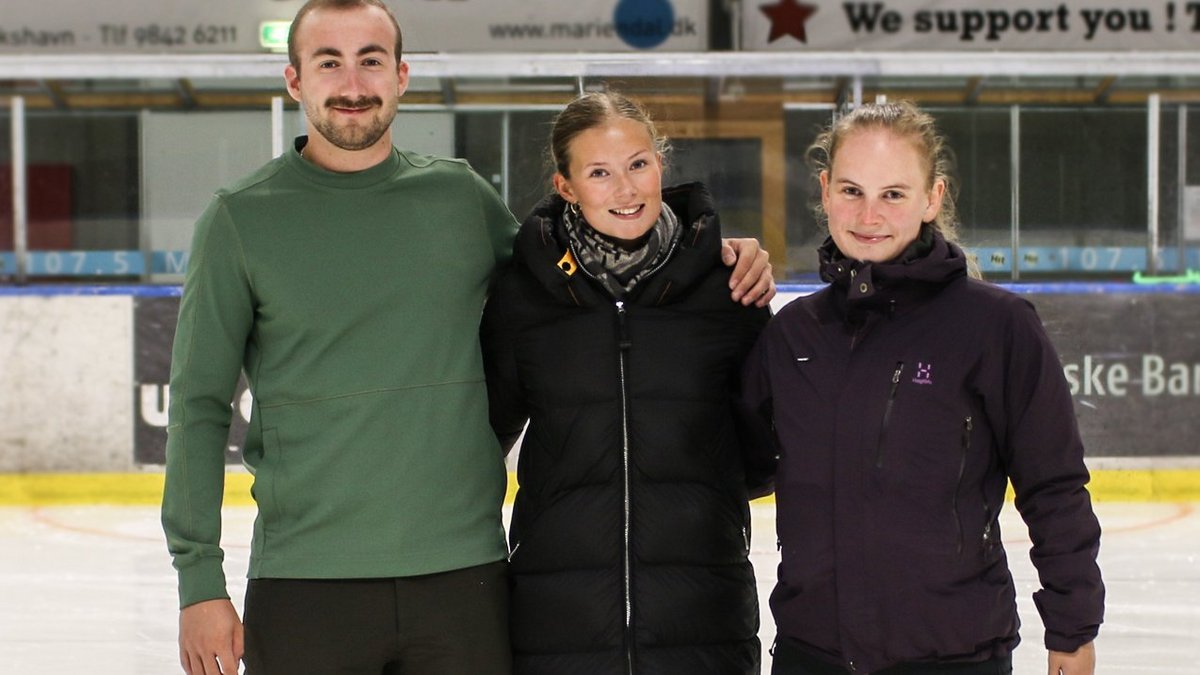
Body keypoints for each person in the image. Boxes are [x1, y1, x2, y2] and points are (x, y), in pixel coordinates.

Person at [161, 2, 776, 674]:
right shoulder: (239, 220)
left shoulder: (458, 197)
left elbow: (583, 279)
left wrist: (708, 253)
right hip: (305, 580)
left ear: (401, 76)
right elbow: (197, 405)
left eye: (370, 60)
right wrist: (199, 580)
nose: (353, 83)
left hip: (463, 581)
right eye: (328, 62)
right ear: (293, 80)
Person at [740, 101, 1104, 675]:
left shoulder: (994, 326)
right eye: (852, 190)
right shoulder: (794, 334)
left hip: (953, 654)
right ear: (825, 190)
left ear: (932, 198)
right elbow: (740, 465)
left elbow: (1053, 486)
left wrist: (1073, 629)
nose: (868, 214)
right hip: (812, 655)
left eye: (893, 194)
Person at [481, 91, 776, 674]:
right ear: (565, 186)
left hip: (702, 619)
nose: (626, 189)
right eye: (599, 173)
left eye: (639, 164)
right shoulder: (525, 295)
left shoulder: (728, 288)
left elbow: (761, 457)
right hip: (559, 623)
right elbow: (481, 437)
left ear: (661, 165)